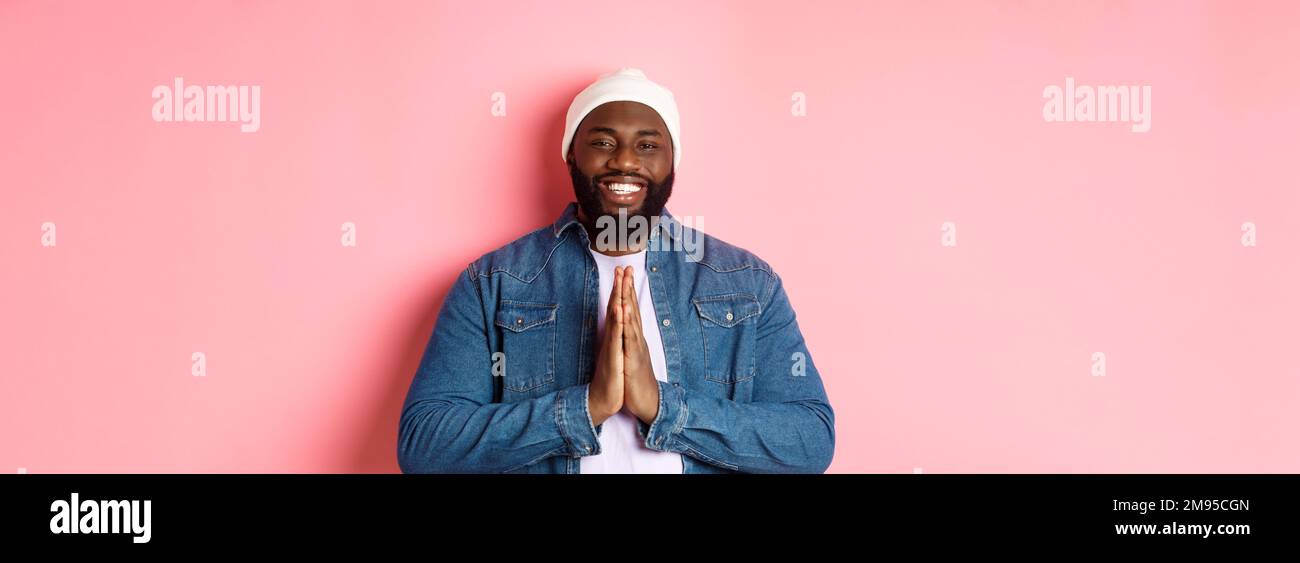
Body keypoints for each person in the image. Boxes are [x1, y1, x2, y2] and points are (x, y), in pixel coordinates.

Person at [397, 68, 834, 473]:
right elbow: (425, 445)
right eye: (603, 142)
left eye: (647, 145)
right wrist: (585, 407)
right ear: (571, 155)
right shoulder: (491, 283)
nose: (624, 161)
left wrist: (664, 407)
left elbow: (810, 439)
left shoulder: (747, 282)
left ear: (672, 161)